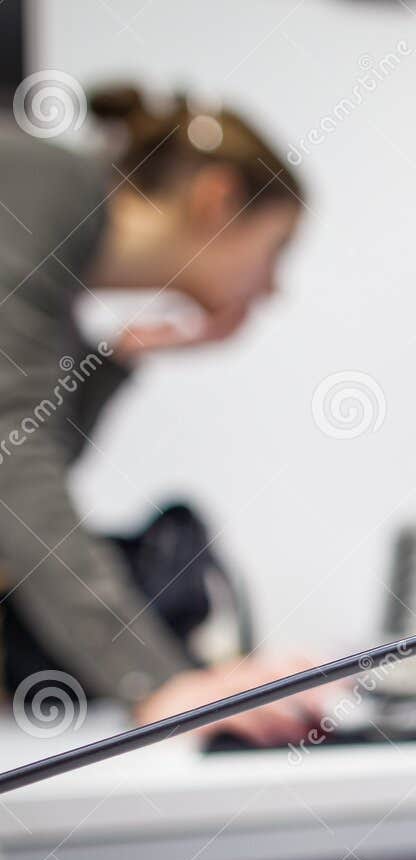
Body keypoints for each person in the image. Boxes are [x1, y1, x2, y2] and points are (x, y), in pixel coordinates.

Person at [0, 85, 328, 744]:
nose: (271, 288)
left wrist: (124, 356)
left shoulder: (61, 277)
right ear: (216, 201)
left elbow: (34, 448)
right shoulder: (50, 182)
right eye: (276, 249)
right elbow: (16, 473)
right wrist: (160, 681)